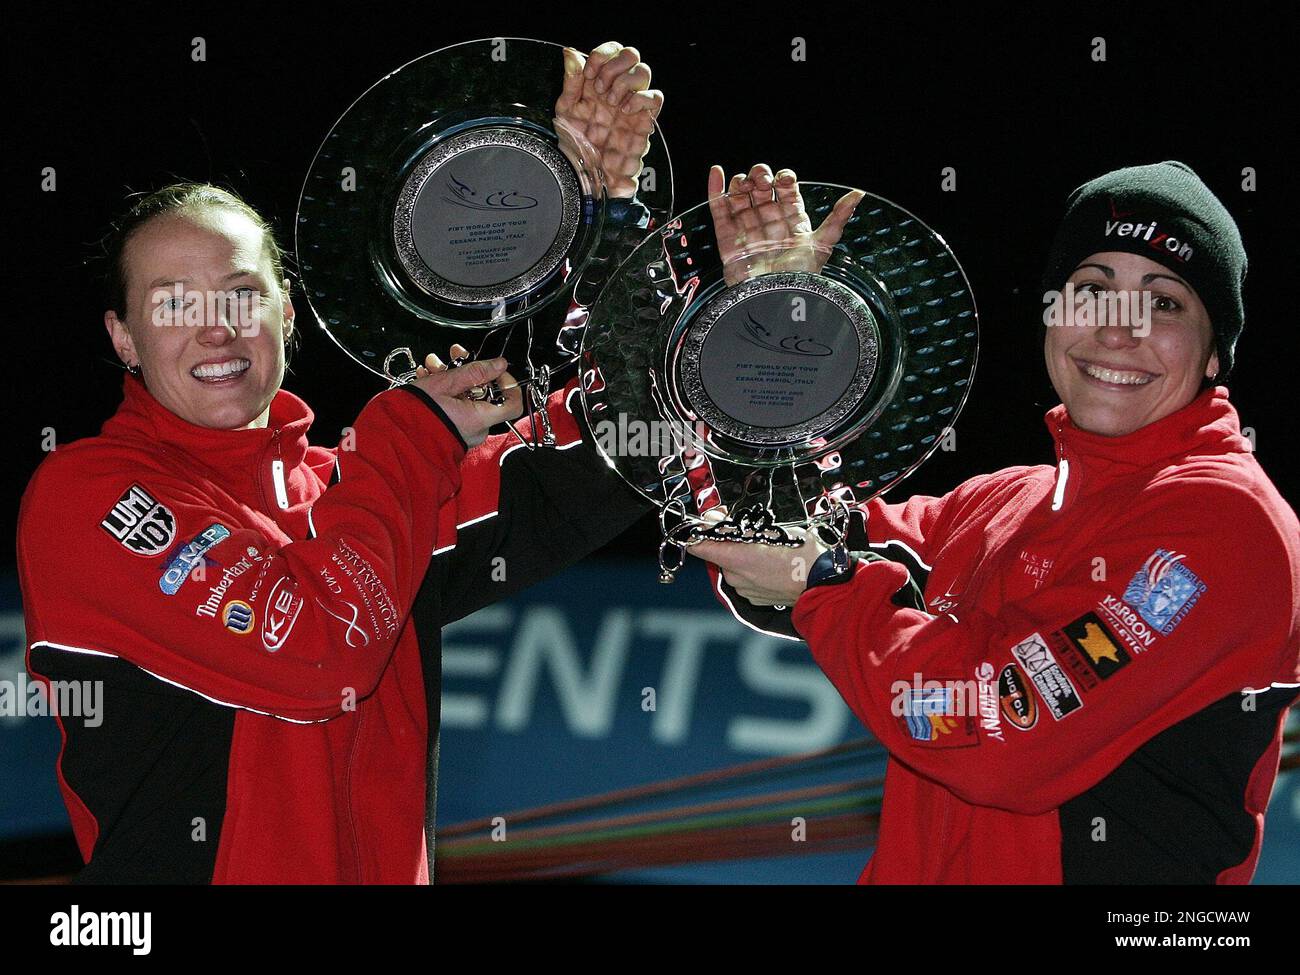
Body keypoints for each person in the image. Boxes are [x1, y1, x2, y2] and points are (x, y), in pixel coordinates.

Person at [16, 41, 658, 884]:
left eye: (242, 294)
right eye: (174, 303)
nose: (216, 327)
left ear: (286, 316)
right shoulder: (81, 492)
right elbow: (320, 655)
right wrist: (411, 431)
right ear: (123, 338)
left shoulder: (361, 493)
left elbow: (623, 451)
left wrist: (602, 220)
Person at [691, 161, 1300, 883]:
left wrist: (825, 583)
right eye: (1093, 289)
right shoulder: (1002, 501)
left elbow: (984, 728)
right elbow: (769, 527)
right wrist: (762, 337)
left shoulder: (1229, 524)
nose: (1118, 329)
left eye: (1164, 302)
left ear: (1217, 352)